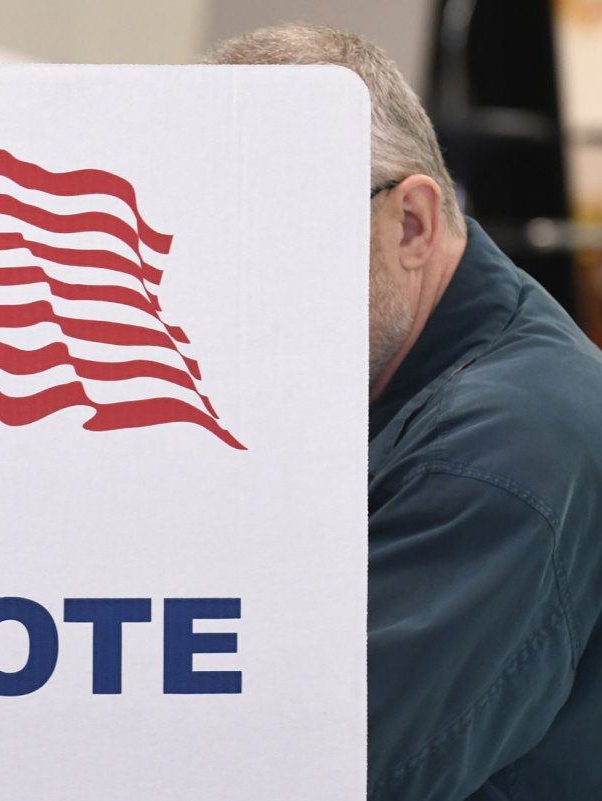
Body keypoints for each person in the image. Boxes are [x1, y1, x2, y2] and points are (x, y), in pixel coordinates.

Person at [204, 24, 602, 801]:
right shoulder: (383, 374)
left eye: (273, 239)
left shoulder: (503, 456)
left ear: (413, 224)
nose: (231, 288)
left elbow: (323, 769)